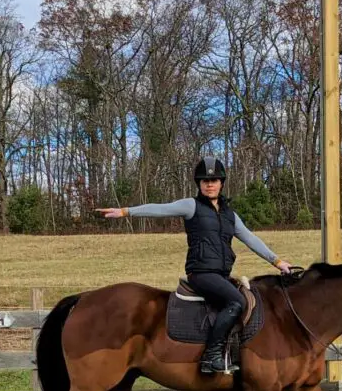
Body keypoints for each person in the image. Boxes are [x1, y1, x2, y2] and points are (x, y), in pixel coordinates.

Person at [96, 157, 293, 374]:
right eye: (205, 180)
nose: (210, 184)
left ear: (222, 183)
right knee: (236, 301)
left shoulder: (230, 215)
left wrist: (277, 261)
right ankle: (211, 356)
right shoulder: (192, 206)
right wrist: (126, 211)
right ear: (199, 184)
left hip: (221, 274)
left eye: (214, 180)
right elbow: (161, 209)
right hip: (201, 273)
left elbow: (251, 239)